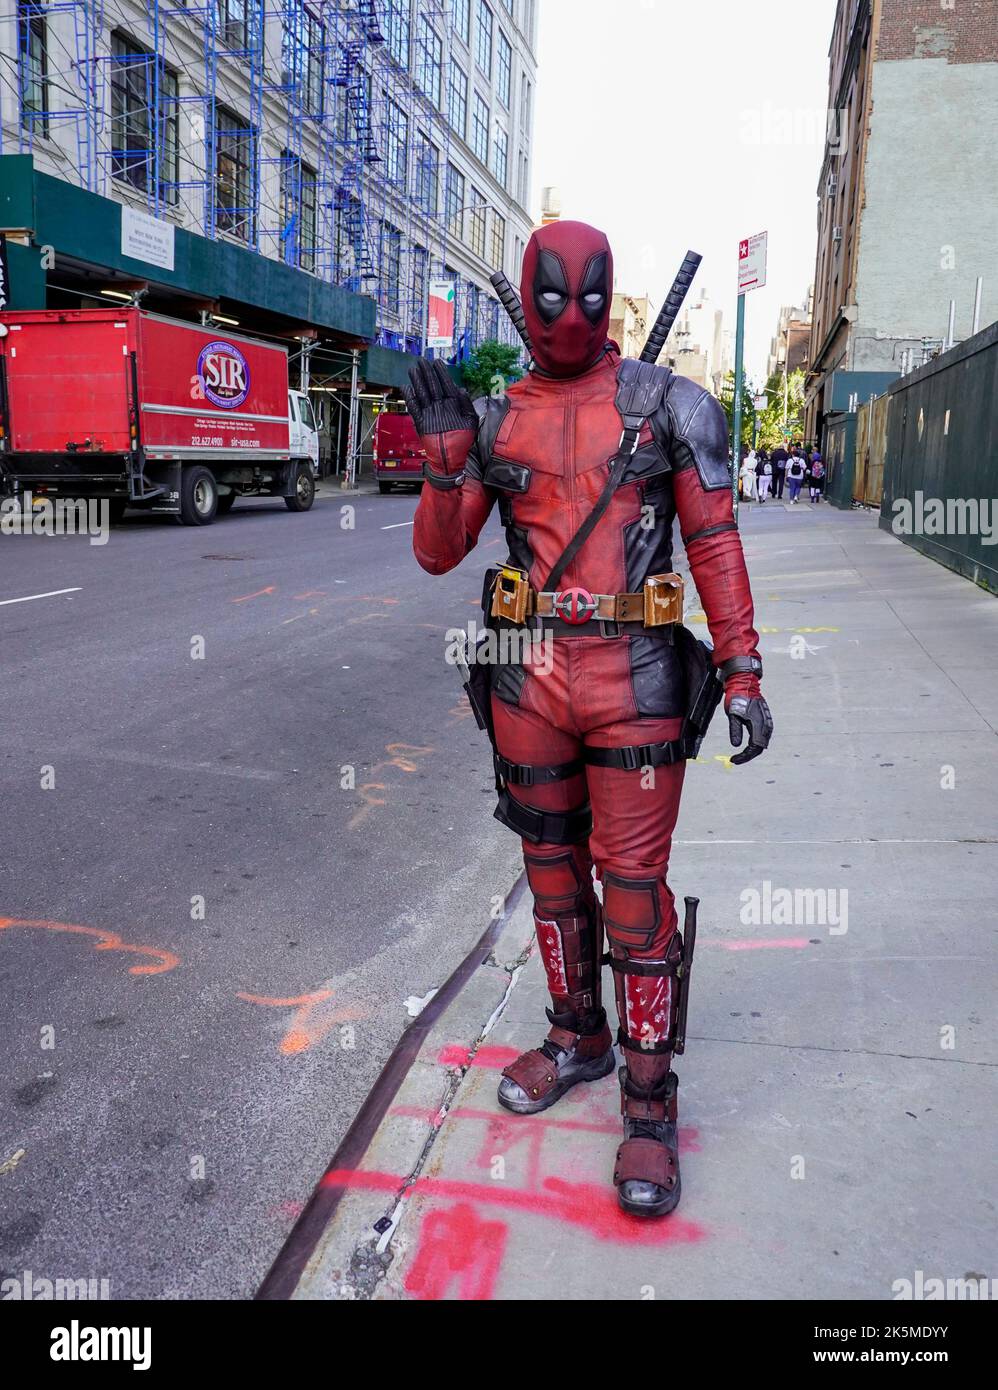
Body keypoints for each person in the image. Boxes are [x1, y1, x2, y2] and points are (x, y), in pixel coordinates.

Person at [407, 220, 773, 1219]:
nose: (569, 316)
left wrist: (739, 667)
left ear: (611, 299)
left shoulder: (672, 407)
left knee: (633, 887)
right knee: (547, 868)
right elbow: (439, 556)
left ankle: (648, 1104)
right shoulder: (490, 423)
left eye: (587, 297)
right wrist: (445, 468)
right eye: (551, 296)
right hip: (526, 673)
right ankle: (577, 1034)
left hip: (637, 675)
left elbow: (713, 540)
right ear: (525, 299)